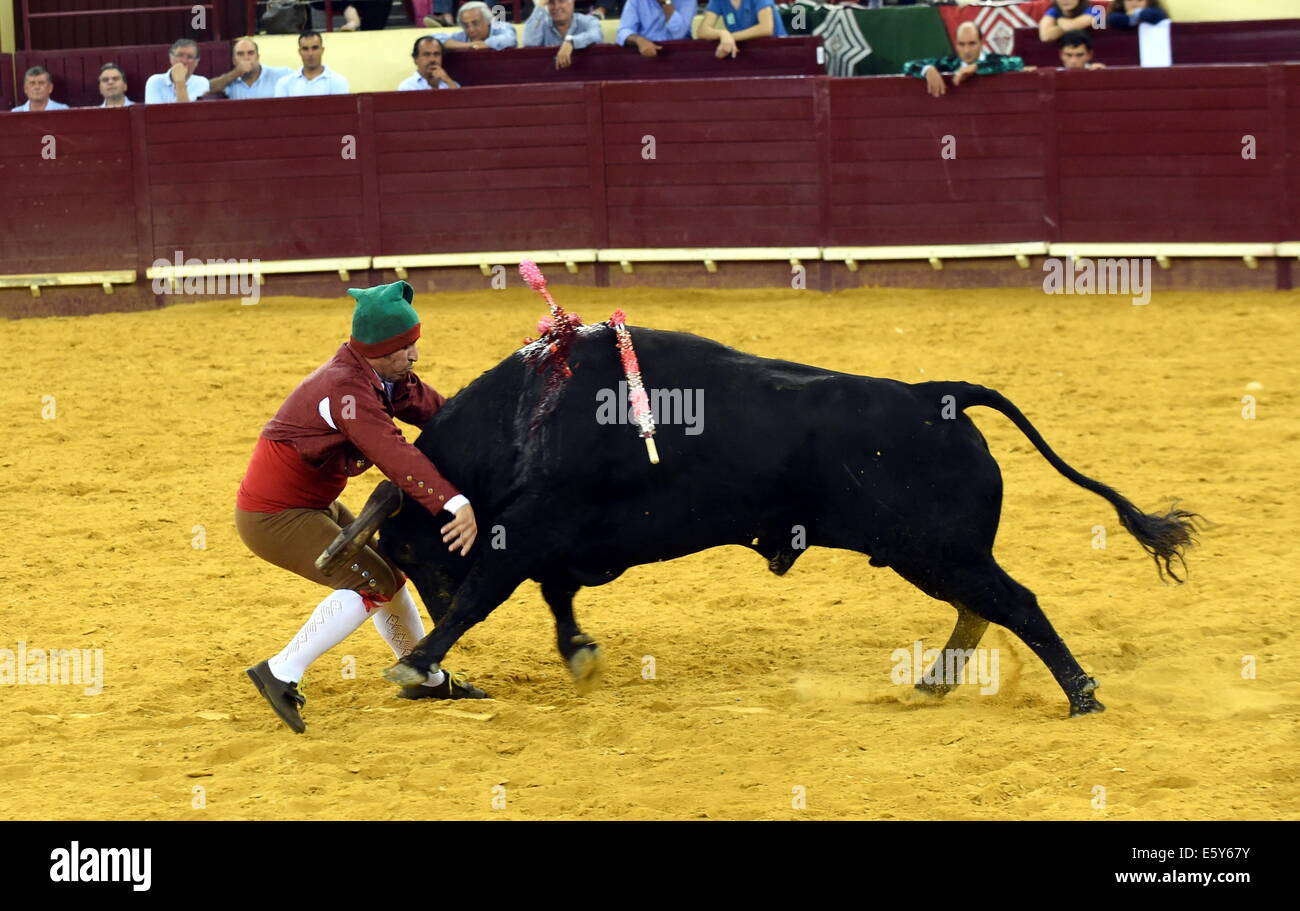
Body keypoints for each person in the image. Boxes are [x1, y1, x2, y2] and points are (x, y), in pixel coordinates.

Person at [240, 281, 486, 735]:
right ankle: (281, 670)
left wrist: (493, 440)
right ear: (379, 350)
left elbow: (441, 414)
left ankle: (422, 675)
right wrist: (453, 501)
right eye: (405, 348)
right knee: (371, 584)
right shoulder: (345, 388)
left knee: (389, 577)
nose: (414, 356)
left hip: (313, 505)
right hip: (274, 516)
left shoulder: (380, 377)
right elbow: (394, 453)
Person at [903, 22, 1026, 98]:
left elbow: (1017, 62)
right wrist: (927, 70)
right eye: (961, 44)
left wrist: (977, 67)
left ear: (981, 42)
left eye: (972, 43)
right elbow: (908, 66)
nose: (966, 50)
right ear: (956, 45)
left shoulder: (993, 60)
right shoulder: (949, 63)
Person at [524, 0, 604, 70]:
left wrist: (571, 41)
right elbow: (529, 43)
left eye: (561, 1)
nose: (556, 7)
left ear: (573, 1)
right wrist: (540, 6)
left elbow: (596, 36)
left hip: (585, 76)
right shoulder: (542, 25)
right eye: (551, 2)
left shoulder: (588, 21)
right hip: (550, 78)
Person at [698, 0, 788, 60]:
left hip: (775, 51)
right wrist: (723, 34)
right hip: (744, 53)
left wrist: (730, 37)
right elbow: (702, 31)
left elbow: (766, 28)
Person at [209, 37, 294, 100]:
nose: (246, 58)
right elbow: (205, 88)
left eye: (251, 53)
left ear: (258, 57)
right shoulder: (230, 79)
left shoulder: (281, 74)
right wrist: (236, 73)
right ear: (234, 61)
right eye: (240, 54)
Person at [275, 30, 351, 97]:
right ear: (299, 52)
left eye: (315, 48)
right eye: (305, 49)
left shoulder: (338, 81)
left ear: (322, 50)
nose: (310, 53)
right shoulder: (284, 83)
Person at [617, 0, 698, 57]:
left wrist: (666, 3)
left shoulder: (688, 1)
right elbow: (623, 31)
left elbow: (678, 33)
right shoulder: (636, 1)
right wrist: (639, 40)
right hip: (644, 54)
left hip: (677, 55)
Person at [144, 38, 211, 103]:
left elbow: (186, 109)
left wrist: (180, 81)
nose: (184, 61)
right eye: (180, 55)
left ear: (196, 62)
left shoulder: (201, 82)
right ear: (171, 58)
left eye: (190, 57)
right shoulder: (154, 81)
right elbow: (153, 110)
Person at [437, 1, 519, 51]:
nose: (471, 30)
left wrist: (486, 44)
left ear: (488, 21)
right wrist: (470, 45)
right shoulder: (463, 35)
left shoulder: (500, 27)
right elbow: (436, 38)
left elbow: (510, 39)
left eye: (475, 23)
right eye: (466, 25)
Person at [1038, 1, 1104, 43]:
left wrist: (1060, 21)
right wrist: (1071, 26)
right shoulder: (1053, 11)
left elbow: (1069, 27)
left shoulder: (1095, 10)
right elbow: (1045, 36)